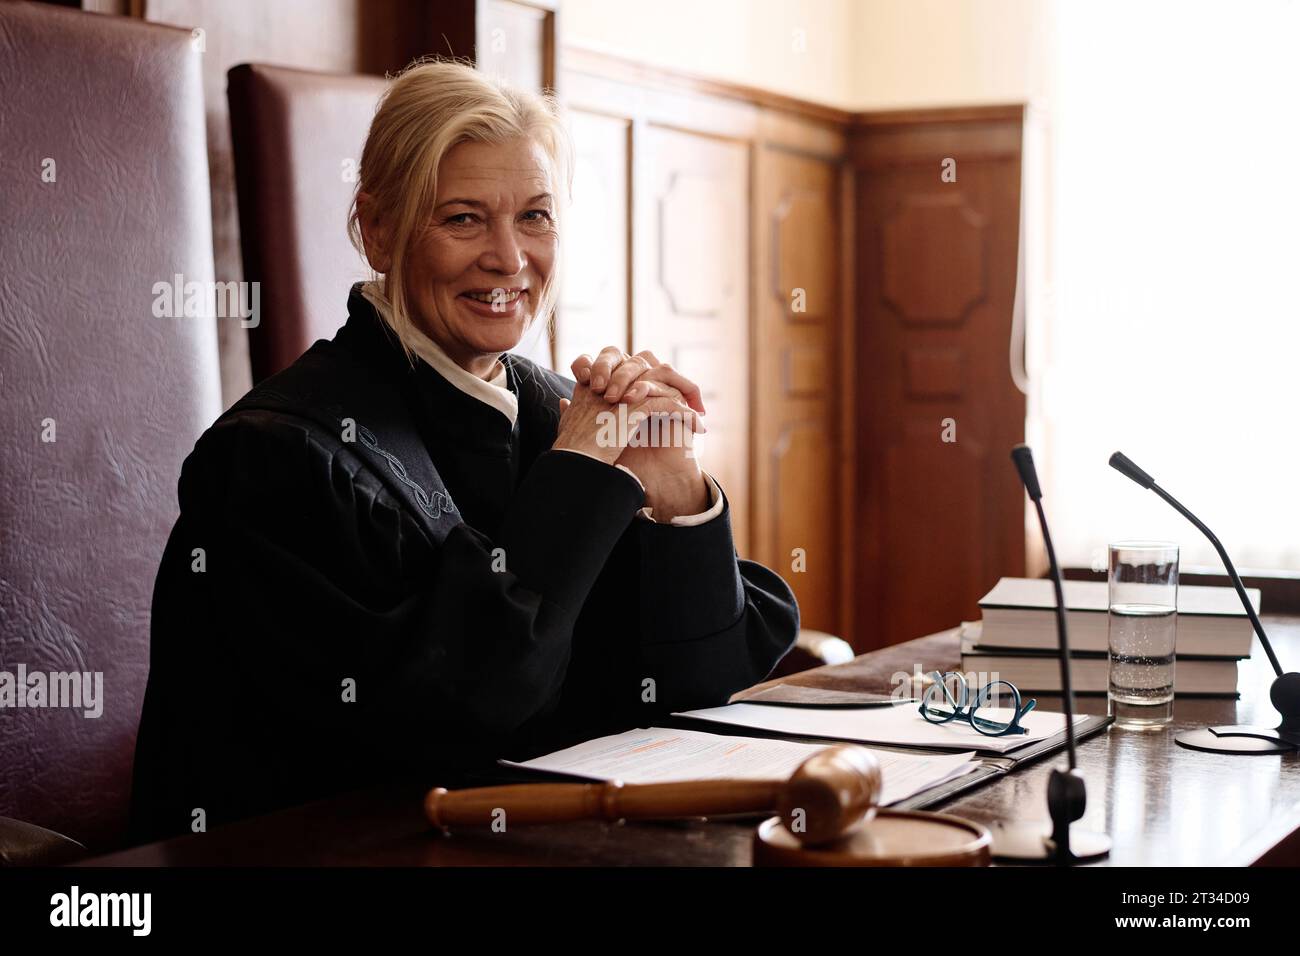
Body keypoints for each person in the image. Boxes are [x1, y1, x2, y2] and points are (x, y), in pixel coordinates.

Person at [128, 59, 798, 844]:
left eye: (536, 217)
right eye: (463, 219)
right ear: (376, 229)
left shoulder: (563, 412)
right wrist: (580, 475)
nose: (510, 259)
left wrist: (675, 492)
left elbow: (697, 701)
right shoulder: (273, 460)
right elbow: (457, 724)